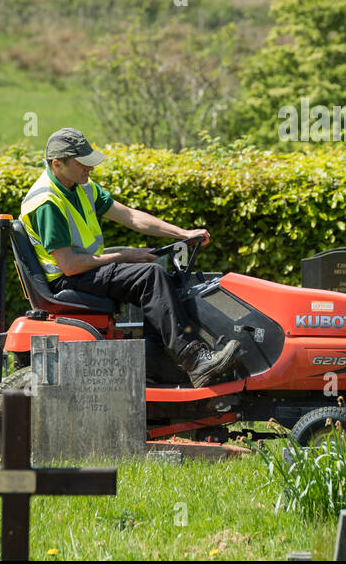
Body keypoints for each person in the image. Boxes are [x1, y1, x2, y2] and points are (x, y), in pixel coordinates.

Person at [20, 127, 241, 387]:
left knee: (157, 271)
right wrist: (122, 256)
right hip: (67, 280)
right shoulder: (47, 202)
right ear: (58, 164)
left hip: (83, 270)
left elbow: (131, 217)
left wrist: (182, 234)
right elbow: (68, 265)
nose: (89, 169)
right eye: (83, 164)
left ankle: (156, 360)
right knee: (149, 276)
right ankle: (194, 359)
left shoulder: (82, 188)